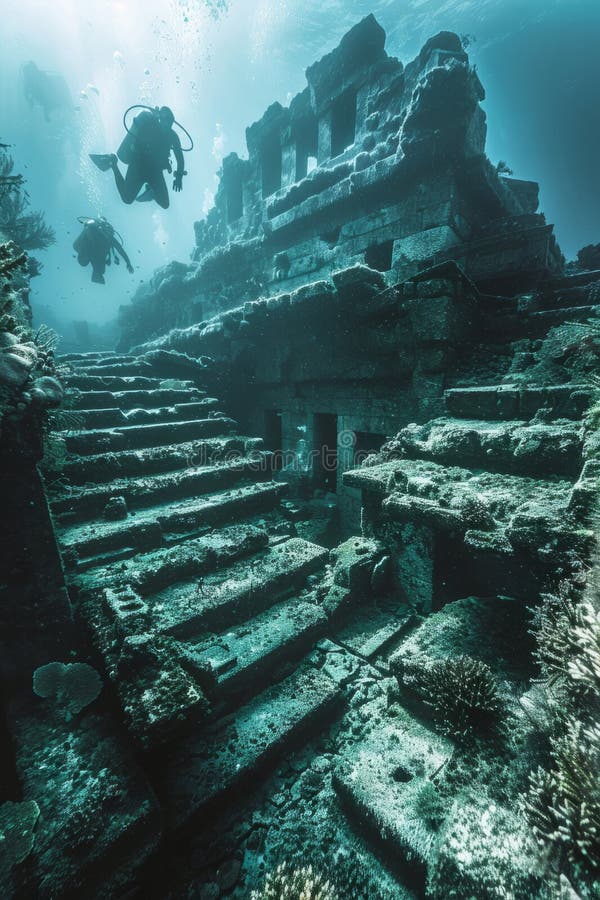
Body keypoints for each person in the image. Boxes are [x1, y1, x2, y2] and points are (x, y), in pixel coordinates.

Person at [89, 106, 186, 209]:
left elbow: (180, 158)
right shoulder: (149, 126)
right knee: (127, 199)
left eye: (170, 121)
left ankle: (151, 191)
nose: (168, 124)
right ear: (160, 118)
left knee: (165, 204)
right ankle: (113, 163)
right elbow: (136, 143)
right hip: (138, 165)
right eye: (166, 120)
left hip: (155, 171)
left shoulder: (173, 137)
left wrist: (179, 176)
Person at [73, 216, 134, 285]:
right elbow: (121, 250)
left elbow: (120, 250)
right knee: (98, 270)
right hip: (95, 253)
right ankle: (95, 273)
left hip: (92, 253)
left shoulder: (97, 231)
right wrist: (128, 263)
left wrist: (128, 263)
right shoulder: (108, 236)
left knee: (96, 270)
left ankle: (95, 273)